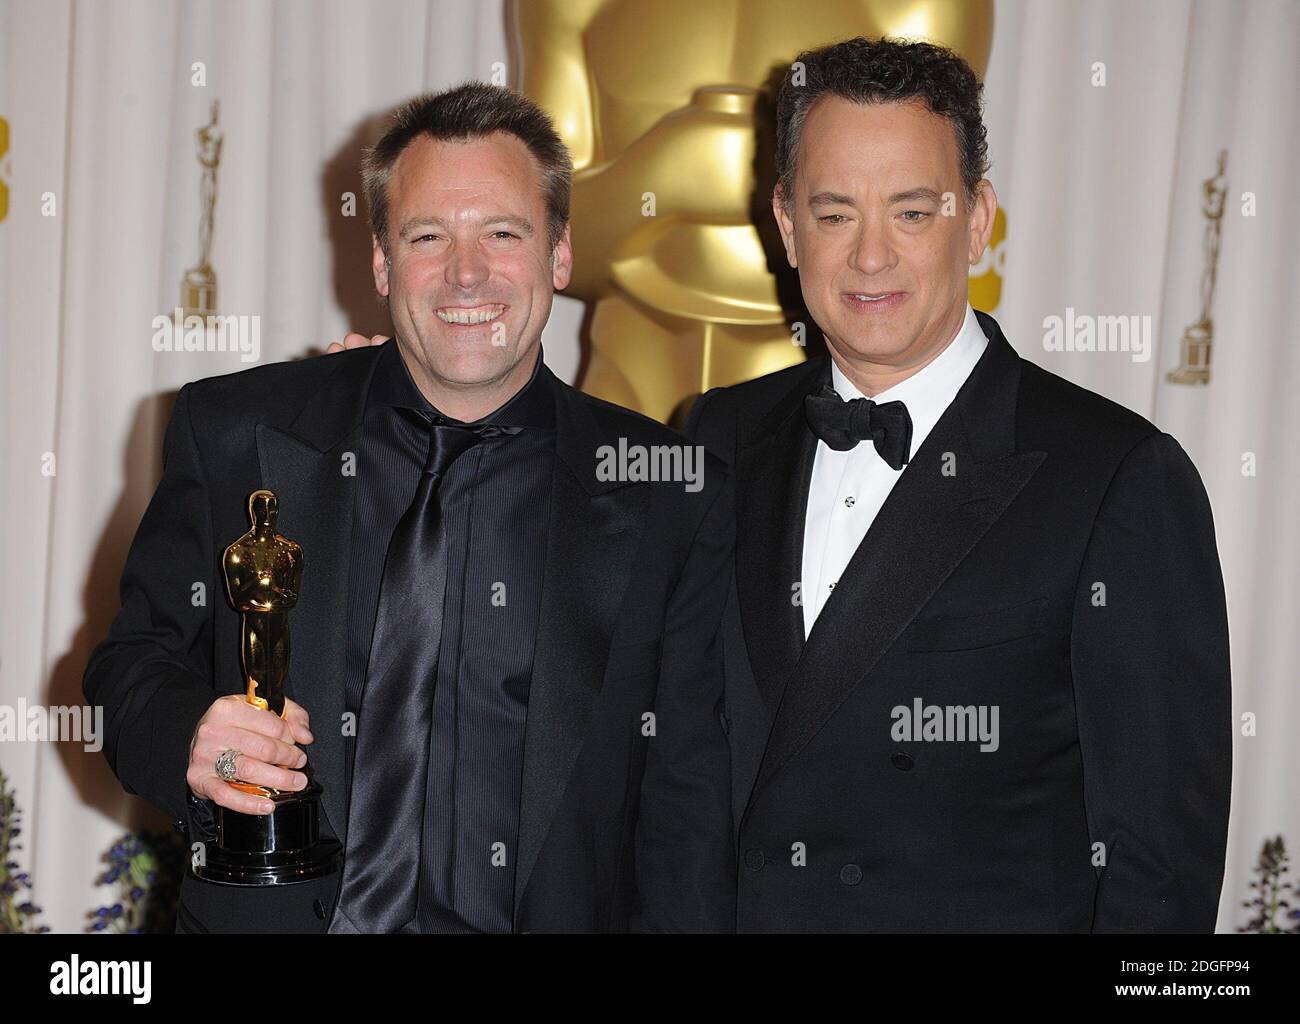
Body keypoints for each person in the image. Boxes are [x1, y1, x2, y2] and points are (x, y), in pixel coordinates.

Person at [84, 82, 734, 934]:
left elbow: (686, 809)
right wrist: (189, 738)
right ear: (384, 263)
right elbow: (128, 668)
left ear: (560, 255)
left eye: (503, 233)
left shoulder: (669, 491)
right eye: (429, 237)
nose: (467, 273)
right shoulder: (239, 433)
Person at [684, 36, 1231, 932]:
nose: (869, 259)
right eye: (833, 214)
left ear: (976, 219)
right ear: (785, 226)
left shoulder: (1118, 478)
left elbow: (1158, 872)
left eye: (910, 212)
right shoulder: (720, 436)